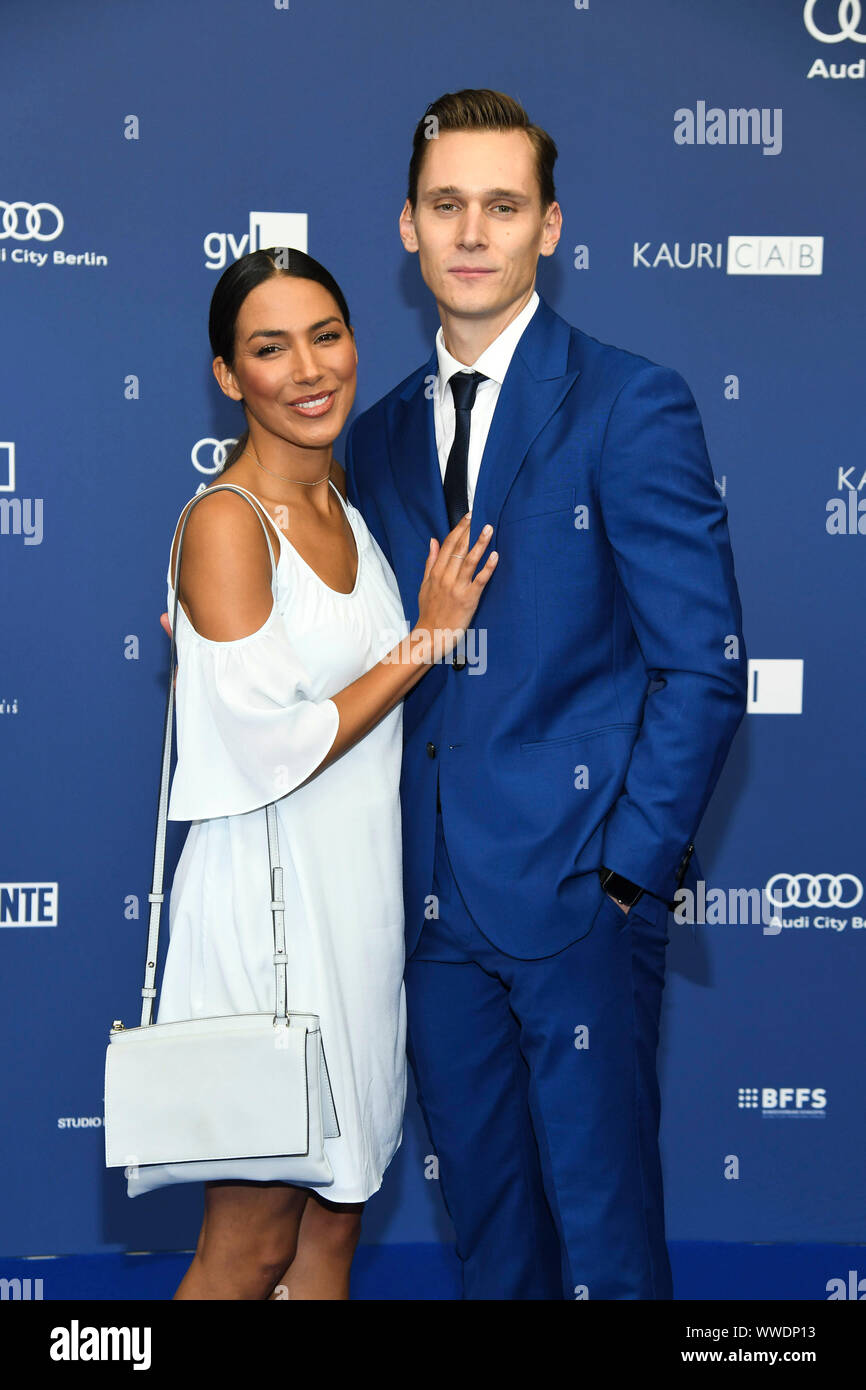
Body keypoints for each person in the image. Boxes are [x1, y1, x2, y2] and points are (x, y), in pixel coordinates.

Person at [344, 89, 748, 1299]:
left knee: (608, 1248)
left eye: (502, 206)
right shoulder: (372, 441)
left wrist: (624, 872)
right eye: (447, 205)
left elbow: (701, 663)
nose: (473, 232)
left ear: (551, 227)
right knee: (491, 1248)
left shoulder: (630, 402)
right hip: (424, 913)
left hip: (579, 895)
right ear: (407, 228)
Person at [142, 246, 498, 1300]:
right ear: (226, 375)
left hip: (352, 914)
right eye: (268, 347)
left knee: (328, 1241)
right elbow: (272, 746)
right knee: (247, 1249)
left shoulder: (344, 501)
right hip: (264, 921)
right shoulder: (224, 521)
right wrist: (426, 641)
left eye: (325, 335)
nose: (306, 368)